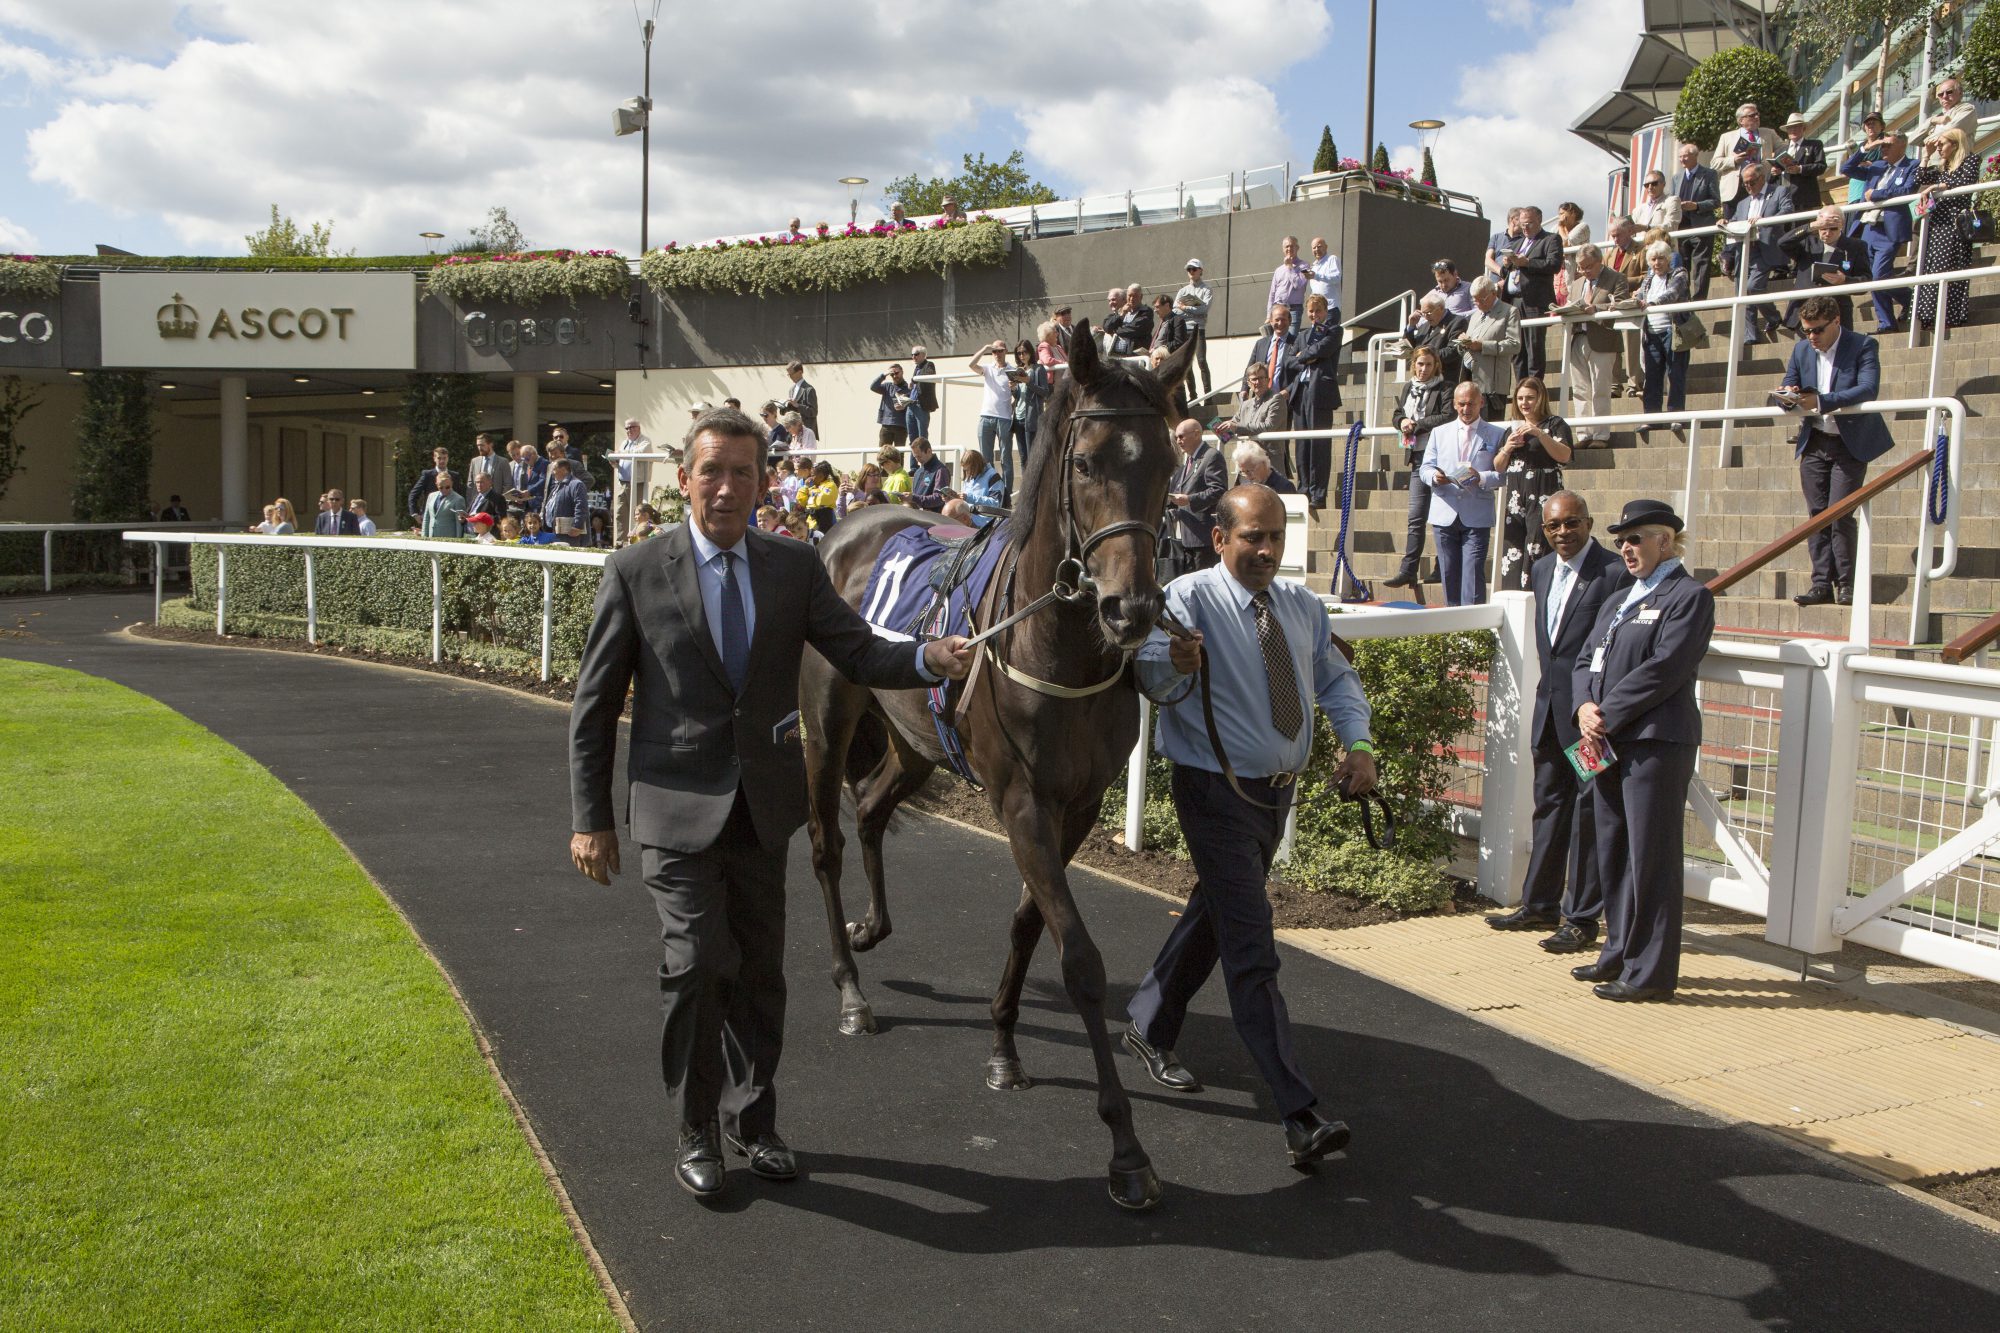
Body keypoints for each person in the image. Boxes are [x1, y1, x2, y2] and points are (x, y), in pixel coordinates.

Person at [566, 408, 973, 1199]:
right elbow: (594, 706)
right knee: (695, 964)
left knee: (759, 974)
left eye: (742, 473)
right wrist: (590, 819)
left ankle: (753, 1119)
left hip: (764, 807)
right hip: (672, 806)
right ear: (683, 478)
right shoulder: (635, 570)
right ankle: (695, 1128)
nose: (726, 488)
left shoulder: (792, 567)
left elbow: (856, 647)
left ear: (762, 481)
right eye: (711, 471)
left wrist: (929, 655)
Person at [1125, 485, 1375, 1170]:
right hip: (1211, 791)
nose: (1265, 550)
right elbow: (1146, 671)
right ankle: (1299, 1112)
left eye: (1274, 537)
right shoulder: (1186, 600)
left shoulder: (1299, 606)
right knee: (1250, 940)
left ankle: (1149, 1021)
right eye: (1251, 538)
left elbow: (1335, 679)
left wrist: (1359, 744)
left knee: (1217, 910)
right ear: (1219, 538)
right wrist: (1170, 663)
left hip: (1276, 798)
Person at [1572, 499, 1716, 1003]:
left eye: (1637, 538)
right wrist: (1583, 710)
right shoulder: (1619, 599)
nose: (1627, 549)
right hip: (1603, 740)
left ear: (1667, 541)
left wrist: (1604, 711)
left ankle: (1650, 972)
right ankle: (1618, 950)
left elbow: (1665, 667)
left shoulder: (1688, 596)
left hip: (1654, 742)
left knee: (1650, 857)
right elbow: (1585, 660)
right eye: (1622, 541)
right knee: (1611, 850)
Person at [1488, 491, 1631, 952]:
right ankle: (1539, 903)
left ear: (1589, 523)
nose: (1563, 534)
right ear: (1543, 531)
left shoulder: (1613, 574)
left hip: (1589, 717)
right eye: (1553, 527)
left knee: (1590, 811)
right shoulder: (1544, 569)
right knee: (1548, 803)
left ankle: (1582, 919)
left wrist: (1596, 708)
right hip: (1549, 712)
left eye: (1572, 524)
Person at [1780, 295, 1893, 607]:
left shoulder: (1862, 345)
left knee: (1840, 514)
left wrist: (1821, 401)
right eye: (1806, 331)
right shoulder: (1802, 349)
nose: (1812, 337)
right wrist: (1787, 395)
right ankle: (1821, 584)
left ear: (1836, 322)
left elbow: (1868, 388)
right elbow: (1789, 382)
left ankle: (1847, 584)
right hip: (1814, 440)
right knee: (1817, 515)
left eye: (1817, 330)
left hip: (1849, 441)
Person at [1418, 382, 1504, 607]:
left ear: (1481, 403)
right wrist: (1434, 477)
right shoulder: (1439, 432)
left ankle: (1474, 628)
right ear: (1454, 404)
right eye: (1462, 404)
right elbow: (1425, 467)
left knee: (1473, 572)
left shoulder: (1497, 434)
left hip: (1477, 513)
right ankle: (1452, 625)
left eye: (1471, 404)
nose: (1466, 409)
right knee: (1448, 572)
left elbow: (1504, 475)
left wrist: (1482, 477)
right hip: (1444, 510)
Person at [1381, 346, 1455, 591]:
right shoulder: (1408, 387)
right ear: (1414, 365)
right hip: (1416, 458)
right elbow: (1398, 414)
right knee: (1415, 517)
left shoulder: (1445, 388)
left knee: (1441, 517)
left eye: (1429, 365)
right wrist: (1401, 421)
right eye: (1420, 364)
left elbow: (1446, 416)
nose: (1424, 369)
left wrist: (1418, 425)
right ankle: (1408, 570)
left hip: (1440, 457)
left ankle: (1442, 567)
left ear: (1436, 367)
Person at [1494, 377, 1575, 592]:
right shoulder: (1511, 429)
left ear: (1541, 398)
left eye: (1530, 398)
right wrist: (1508, 447)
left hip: (1543, 491)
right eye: (1520, 398)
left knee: (1538, 545)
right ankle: (1513, 595)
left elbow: (1565, 456)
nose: (1524, 403)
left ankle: (1535, 594)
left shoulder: (1555, 424)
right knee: (1512, 548)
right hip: (1516, 495)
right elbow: (1499, 466)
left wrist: (1539, 433)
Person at [1841, 131, 1919, 333]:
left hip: (1889, 230)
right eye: (1882, 146)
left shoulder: (1912, 165)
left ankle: (1901, 308)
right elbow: (1846, 168)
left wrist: (1876, 194)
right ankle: (1894, 314)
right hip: (1869, 228)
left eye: (1887, 145)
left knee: (1878, 277)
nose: (1883, 149)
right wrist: (1865, 149)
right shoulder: (1876, 167)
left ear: (1901, 146)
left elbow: (1908, 191)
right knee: (1874, 278)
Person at [1560, 244, 1628, 442]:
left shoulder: (1616, 278)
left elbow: (1622, 304)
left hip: (1602, 339)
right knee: (1580, 391)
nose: (1584, 271)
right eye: (1581, 267)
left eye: (1588, 266)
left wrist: (1596, 309)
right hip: (1578, 338)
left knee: (1601, 389)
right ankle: (1583, 435)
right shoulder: (1578, 283)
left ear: (1600, 261)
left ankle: (1600, 435)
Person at [1721, 163, 1794, 345]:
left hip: (1766, 247)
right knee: (1742, 293)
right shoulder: (1742, 203)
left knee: (1753, 287)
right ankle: (1750, 335)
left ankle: (1774, 316)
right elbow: (1736, 223)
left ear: (1762, 178)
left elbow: (1788, 210)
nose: (1748, 186)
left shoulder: (1779, 192)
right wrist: (1726, 222)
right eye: (1744, 183)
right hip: (1745, 250)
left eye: (1751, 182)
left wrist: (1764, 220)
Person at [1914, 128, 1978, 331]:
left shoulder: (1970, 160)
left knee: (1951, 267)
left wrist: (1939, 186)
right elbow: (1920, 179)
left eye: (1942, 144)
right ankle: (1928, 315)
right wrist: (1926, 155)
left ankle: (1949, 315)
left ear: (1956, 144)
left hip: (1955, 223)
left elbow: (1966, 180)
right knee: (1932, 267)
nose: (1938, 147)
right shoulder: (1943, 166)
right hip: (1938, 224)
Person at [1286, 293, 1341, 508]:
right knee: (1302, 444)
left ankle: (1318, 493)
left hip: (1321, 392)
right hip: (1301, 391)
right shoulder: (1302, 334)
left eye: (1318, 310)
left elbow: (1323, 349)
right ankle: (1303, 489)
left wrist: (1304, 354)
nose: (1314, 315)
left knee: (1319, 444)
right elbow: (1289, 361)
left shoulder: (1334, 330)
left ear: (1326, 311)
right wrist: (1307, 357)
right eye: (1311, 311)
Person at [1779, 206, 1867, 333]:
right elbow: (1782, 243)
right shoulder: (1808, 243)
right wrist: (1811, 226)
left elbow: (1865, 280)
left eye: (1833, 228)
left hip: (1836, 312)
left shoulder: (1856, 246)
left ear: (1841, 225)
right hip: (1805, 310)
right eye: (1823, 228)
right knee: (1805, 352)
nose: (1827, 232)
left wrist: (1845, 280)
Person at [1162, 417, 1227, 580]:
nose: (1178, 441)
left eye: (1182, 436)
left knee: (1205, 585)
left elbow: (1219, 490)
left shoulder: (1211, 456)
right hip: (1186, 535)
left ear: (1197, 434)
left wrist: (1190, 499)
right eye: (1176, 437)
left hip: (1204, 536)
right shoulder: (1188, 462)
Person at [1503, 206, 1563, 380]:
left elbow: (1554, 265)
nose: (1525, 228)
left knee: (1534, 347)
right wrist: (1507, 265)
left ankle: (1535, 388)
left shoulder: (1551, 239)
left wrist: (1527, 262)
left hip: (1534, 301)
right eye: (1522, 224)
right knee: (1517, 349)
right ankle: (1522, 389)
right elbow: (1506, 274)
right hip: (1513, 301)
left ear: (1539, 220)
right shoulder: (1516, 243)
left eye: (1528, 223)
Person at [1637, 240, 1693, 416]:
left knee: (1675, 374)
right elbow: (1639, 296)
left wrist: (1653, 303)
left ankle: (1675, 414)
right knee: (1652, 377)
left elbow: (1673, 293)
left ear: (1668, 258)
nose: (1657, 263)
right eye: (1653, 259)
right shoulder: (1648, 279)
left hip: (1673, 331)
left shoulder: (1679, 273)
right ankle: (1651, 416)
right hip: (1652, 333)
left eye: (1661, 258)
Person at [1459, 277, 1522, 421]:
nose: (1478, 303)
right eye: (1474, 300)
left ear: (1493, 293)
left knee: (1491, 431)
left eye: (1482, 299)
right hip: (1471, 379)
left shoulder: (1509, 311)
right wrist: (1463, 344)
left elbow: (1514, 344)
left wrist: (1483, 346)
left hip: (1492, 384)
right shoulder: (1475, 315)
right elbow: (1471, 345)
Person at [1217, 360, 1292, 477]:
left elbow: (1269, 426)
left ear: (1268, 380)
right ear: (1248, 383)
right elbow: (1233, 427)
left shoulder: (1276, 399)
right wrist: (1221, 430)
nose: (1258, 382)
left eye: (1261, 378)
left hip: (1269, 464)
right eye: (1254, 379)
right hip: (1247, 467)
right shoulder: (1246, 405)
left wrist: (1235, 427)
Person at [1673, 142, 1723, 301]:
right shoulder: (1676, 178)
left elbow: (1716, 201)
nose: (1682, 160)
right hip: (1682, 227)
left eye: (1685, 156)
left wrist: (1696, 206)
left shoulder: (1709, 174)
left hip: (1701, 225)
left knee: (1701, 263)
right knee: (1683, 264)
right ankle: (1684, 298)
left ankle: (1699, 299)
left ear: (1695, 156)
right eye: (1680, 157)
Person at [969, 340, 1019, 490]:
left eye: (1000, 350)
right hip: (986, 416)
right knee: (986, 459)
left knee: (1006, 458)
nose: (997, 354)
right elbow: (971, 365)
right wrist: (985, 347)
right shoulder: (988, 368)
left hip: (1004, 418)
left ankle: (1007, 493)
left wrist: (1014, 394)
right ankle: (989, 489)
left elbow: (1019, 395)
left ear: (1006, 351)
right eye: (994, 351)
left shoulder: (1013, 370)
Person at [1402, 292, 1468, 384]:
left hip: (1444, 380)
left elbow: (1452, 351)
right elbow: (1413, 347)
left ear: (1440, 308)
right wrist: (1411, 326)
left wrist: (1426, 357)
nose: (1426, 317)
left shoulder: (1457, 322)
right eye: (1423, 314)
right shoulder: (1424, 326)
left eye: (1428, 313)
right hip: (1423, 380)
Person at [1711, 101, 1766, 208]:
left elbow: (1784, 148)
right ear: (1741, 120)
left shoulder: (1769, 133)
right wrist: (1734, 160)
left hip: (1761, 184)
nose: (1756, 117)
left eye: (1757, 114)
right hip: (1735, 189)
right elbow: (1714, 163)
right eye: (1752, 115)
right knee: (1733, 223)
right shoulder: (1726, 137)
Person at [1772, 111, 1827, 211]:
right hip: (1783, 199)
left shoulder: (1814, 145)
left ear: (1804, 128)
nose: (1793, 130)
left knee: (1803, 226)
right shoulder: (1780, 150)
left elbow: (1821, 166)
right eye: (1790, 127)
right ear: (1787, 131)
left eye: (1796, 126)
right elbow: (1772, 177)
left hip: (1804, 198)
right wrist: (1774, 173)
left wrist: (1800, 169)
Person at [1174, 259, 1213, 397]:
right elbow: (1175, 310)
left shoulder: (1207, 289)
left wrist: (1185, 308)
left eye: (1194, 269)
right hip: (1185, 329)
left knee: (1201, 360)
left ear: (1201, 270)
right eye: (1189, 269)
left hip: (1199, 329)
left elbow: (1204, 309)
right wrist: (1193, 309)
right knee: (1187, 364)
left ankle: (1208, 395)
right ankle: (1193, 395)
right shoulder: (1182, 291)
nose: (1191, 271)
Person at [1246, 304, 1297, 405]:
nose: (1280, 323)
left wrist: (1288, 390)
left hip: (1284, 399)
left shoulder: (1297, 343)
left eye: (1283, 319)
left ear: (1290, 321)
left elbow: (1301, 373)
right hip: (1261, 399)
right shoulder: (1260, 344)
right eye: (1277, 319)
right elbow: (1250, 369)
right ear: (1271, 321)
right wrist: (1244, 389)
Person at [1911, 75, 1977, 150]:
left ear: (1960, 93)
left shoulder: (1967, 109)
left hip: (1955, 160)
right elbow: (1912, 140)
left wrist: (1927, 140)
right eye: (1940, 94)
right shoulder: (1936, 117)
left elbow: (1951, 132)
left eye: (1949, 92)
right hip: (1932, 161)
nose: (1944, 96)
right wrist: (1931, 121)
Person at [949, 448, 1006, 526]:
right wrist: (952, 499)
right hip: (968, 520)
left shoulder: (993, 477)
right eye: (965, 470)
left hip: (985, 525)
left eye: (969, 469)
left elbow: (995, 504)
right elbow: (966, 502)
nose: (967, 472)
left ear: (976, 466)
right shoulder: (969, 477)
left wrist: (969, 497)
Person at [1267, 235, 1309, 328]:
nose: (1289, 248)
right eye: (1287, 246)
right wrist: (1269, 315)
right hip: (1277, 308)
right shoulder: (1278, 270)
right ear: (1283, 249)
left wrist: (1290, 267)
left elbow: (1298, 285)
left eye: (1292, 246)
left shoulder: (1305, 266)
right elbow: (1272, 294)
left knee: (1291, 339)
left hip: (1294, 309)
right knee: (1277, 339)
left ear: (1297, 248)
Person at [541, 458, 589, 539]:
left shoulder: (576, 484)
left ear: (564, 470)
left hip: (570, 535)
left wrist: (577, 526)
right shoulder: (557, 486)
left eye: (554, 470)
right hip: (554, 532)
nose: (552, 473)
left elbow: (581, 506)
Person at [869, 364, 914, 447]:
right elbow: (873, 387)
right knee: (883, 454)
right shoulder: (887, 386)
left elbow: (914, 403)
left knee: (899, 455)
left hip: (901, 425)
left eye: (896, 373)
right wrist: (884, 375)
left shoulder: (908, 388)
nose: (894, 376)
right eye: (892, 374)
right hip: (886, 425)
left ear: (902, 372)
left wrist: (904, 405)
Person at [1553, 202, 1590, 297]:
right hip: (1559, 273)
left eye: (1562, 213)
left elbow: (1567, 244)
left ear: (1573, 213)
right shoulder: (1556, 229)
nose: (1560, 217)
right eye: (1559, 214)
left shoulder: (1583, 227)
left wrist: (1561, 226)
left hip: (1574, 272)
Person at [1307, 236, 1343, 327]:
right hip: (1317, 310)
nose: (1317, 249)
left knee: (1329, 335)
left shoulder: (1332, 259)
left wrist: (1316, 276)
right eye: (1314, 247)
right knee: (1318, 336)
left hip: (1331, 307)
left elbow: (1337, 277)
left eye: (1319, 246)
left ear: (1326, 247)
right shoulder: (1313, 266)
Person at [408, 446, 451, 522]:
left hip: (450, 518)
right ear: (434, 458)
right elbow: (413, 495)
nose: (442, 461)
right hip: (430, 517)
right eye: (439, 458)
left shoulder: (454, 476)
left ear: (448, 458)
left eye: (444, 458)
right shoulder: (428, 475)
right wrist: (415, 514)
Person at [1632, 169, 1682, 234]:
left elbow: (1671, 226)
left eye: (1654, 184)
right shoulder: (1638, 209)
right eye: (1646, 185)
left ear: (1663, 184)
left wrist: (1647, 227)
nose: (1650, 187)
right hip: (1642, 244)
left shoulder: (1672, 201)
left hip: (1663, 243)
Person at [907, 436, 950, 512]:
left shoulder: (941, 471)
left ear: (929, 451)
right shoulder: (918, 472)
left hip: (933, 519)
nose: (917, 461)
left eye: (919, 456)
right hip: (918, 516)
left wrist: (913, 498)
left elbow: (939, 498)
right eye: (915, 457)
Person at [422, 471, 467, 538]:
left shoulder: (458, 499)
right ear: (436, 484)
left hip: (448, 538)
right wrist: (424, 537)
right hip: (431, 537)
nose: (444, 490)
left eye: (447, 487)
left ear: (452, 483)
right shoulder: (431, 496)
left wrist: (458, 541)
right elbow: (426, 518)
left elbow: (459, 524)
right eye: (441, 487)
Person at [907, 346, 939, 441]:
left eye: (916, 354)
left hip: (921, 405)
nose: (913, 357)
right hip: (911, 405)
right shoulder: (917, 367)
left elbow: (929, 375)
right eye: (912, 355)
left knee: (922, 437)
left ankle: (924, 455)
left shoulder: (929, 364)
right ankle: (914, 456)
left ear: (923, 355)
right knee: (912, 436)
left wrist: (914, 379)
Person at [801, 460, 840, 534]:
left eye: (813, 475)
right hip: (810, 520)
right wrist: (806, 487)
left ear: (821, 476)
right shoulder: (812, 487)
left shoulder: (830, 485)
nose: (811, 478)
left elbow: (822, 500)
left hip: (824, 520)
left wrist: (813, 491)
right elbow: (801, 500)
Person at [507, 445, 546, 516]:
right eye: (523, 460)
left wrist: (529, 491)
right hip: (528, 503)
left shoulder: (544, 463)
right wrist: (521, 496)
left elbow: (543, 481)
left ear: (533, 455)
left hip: (539, 503)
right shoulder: (530, 465)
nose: (525, 462)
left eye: (527, 459)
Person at [784, 362, 819, 437]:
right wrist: (784, 406)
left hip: (806, 433)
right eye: (788, 374)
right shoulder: (791, 390)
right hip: (793, 433)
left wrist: (798, 405)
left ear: (800, 372)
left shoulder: (809, 389)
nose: (790, 376)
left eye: (791, 374)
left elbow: (813, 412)